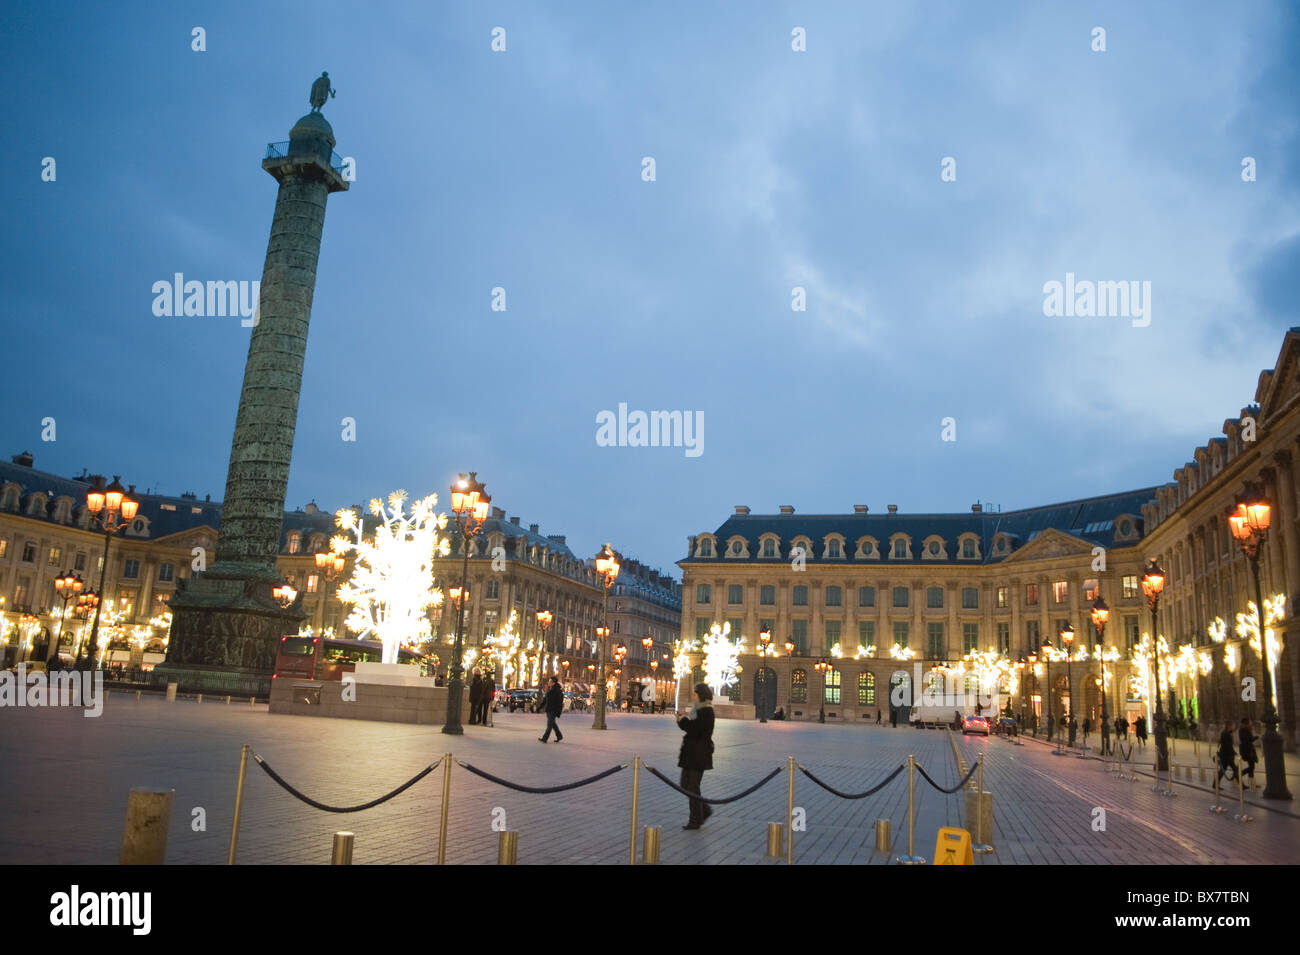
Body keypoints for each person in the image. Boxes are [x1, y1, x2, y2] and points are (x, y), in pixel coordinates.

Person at [677, 683, 716, 830]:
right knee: (685, 785)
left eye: (695, 693)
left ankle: (695, 820)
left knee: (692, 787)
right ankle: (704, 811)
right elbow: (692, 728)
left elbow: (696, 730)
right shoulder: (698, 710)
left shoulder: (706, 711)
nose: (693, 696)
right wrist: (682, 722)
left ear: (700, 694)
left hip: (698, 755)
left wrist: (682, 721)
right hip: (691, 754)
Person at [538, 676, 565, 743]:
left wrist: (558, 711)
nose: (548, 683)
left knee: (549, 725)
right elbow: (545, 700)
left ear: (553, 683)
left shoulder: (557, 691)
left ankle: (545, 738)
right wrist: (539, 708)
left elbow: (559, 702)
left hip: (553, 710)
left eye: (550, 682)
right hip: (549, 710)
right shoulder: (551, 690)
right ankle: (559, 736)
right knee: (553, 724)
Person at [1237, 717, 1259, 789]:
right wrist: (1254, 738)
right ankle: (1239, 774)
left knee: (1251, 766)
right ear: (1246, 723)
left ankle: (1251, 783)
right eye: (1250, 722)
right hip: (1248, 750)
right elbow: (1247, 741)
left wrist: (1253, 738)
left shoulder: (1243, 730)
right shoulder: (1245, 730)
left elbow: (1247, 740)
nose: (1251, 724)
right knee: (1251, 767)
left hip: (1247, 749)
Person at [1217, 720, 1238, 787]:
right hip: (1226, 756)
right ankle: (1215, 784)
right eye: (1233, 726)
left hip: (1226, 755)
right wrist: (1233, 752)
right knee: (1233, 769)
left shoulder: (1226, 733)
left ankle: (1241, 784)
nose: (1234, 727)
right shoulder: (1226, 734)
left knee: (1227, 770)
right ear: (1230, 726)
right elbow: (1227, 745)